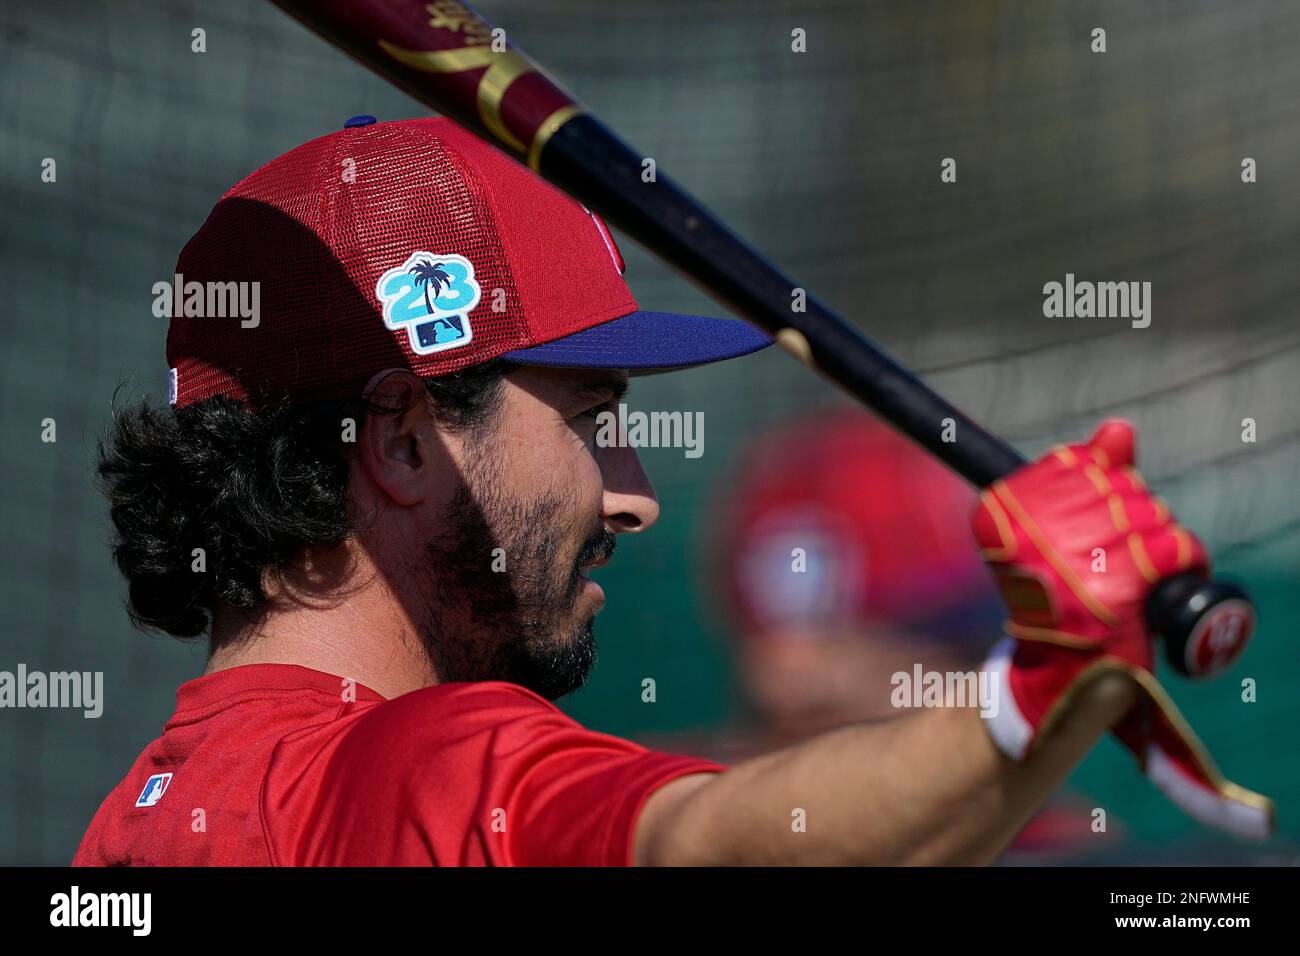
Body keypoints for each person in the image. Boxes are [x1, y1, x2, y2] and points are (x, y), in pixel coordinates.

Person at [73, 117, 1267, 867]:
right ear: (399, 439)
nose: (633, 498)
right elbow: (721, 842)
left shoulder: (130, 817)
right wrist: (1038, 682)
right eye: (594, 421)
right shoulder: (414, 771)